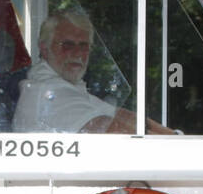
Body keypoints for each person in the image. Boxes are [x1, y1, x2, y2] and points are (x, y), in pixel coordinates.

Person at [12, 10, 175, 134]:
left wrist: (174, 136)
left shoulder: (67, 87)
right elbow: (113, 130)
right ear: (44, 48)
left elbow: (123, 116)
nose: (77, 54)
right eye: (67, 45)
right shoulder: (48, 92)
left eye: (83, 46)